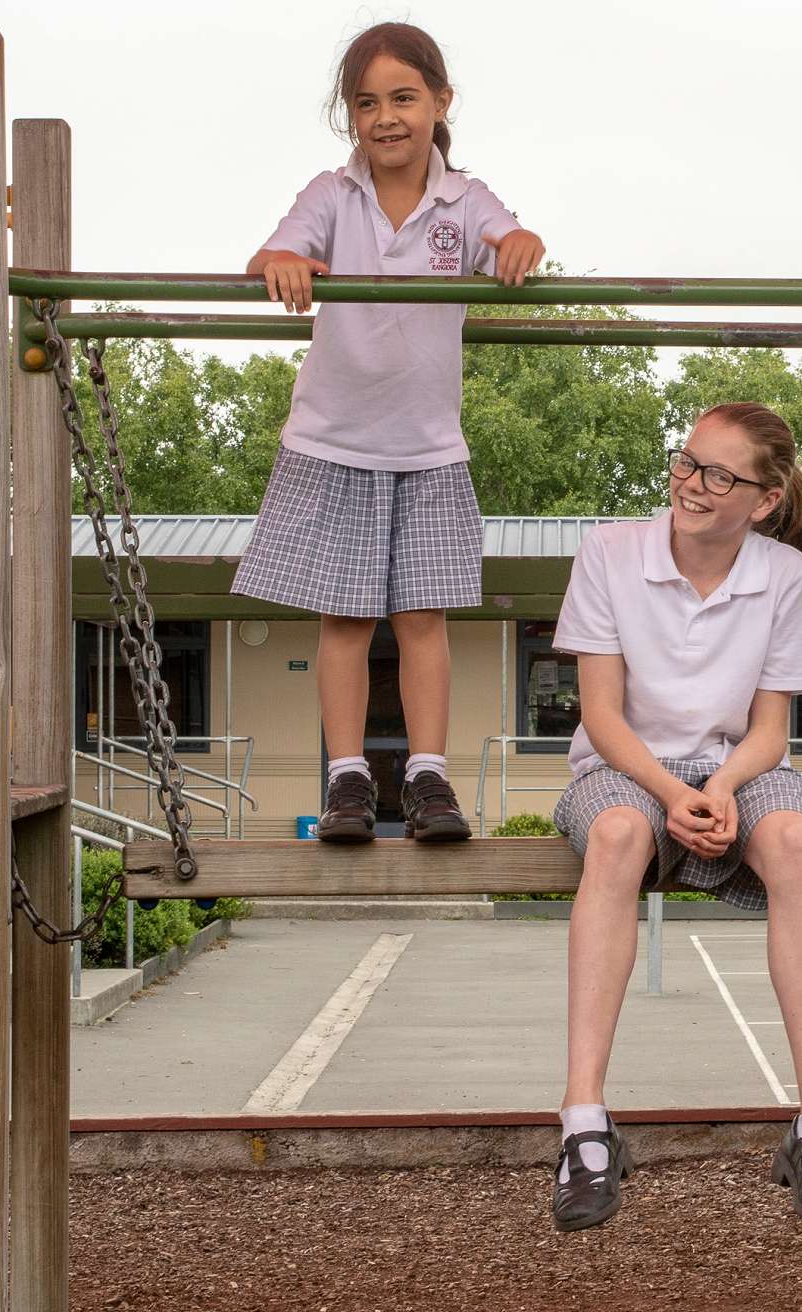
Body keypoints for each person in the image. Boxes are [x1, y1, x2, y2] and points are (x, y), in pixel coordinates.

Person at [545, 402, 802, 1232]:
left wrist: (720, 786)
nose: (691, 483)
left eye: (719, 473)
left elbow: (770, 731)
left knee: (795, 839)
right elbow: (603, 717)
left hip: (740, 766)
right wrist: (668, 791)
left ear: (762, 499)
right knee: (617, 835)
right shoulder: (611, 551)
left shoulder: (785, 577)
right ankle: (583, 1123)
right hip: (622, 764)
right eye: (687, 462)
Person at [232, 21, 546, 842]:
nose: (386, 117)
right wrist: (286, 264)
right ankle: (346, 780)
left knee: (423, 617)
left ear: (440, 102)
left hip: (429, 445)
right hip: (335, 438)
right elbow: (276, 250)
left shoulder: (462, 197)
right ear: (350, 118)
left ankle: (428, 776)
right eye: (365, 103)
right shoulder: (332, 196)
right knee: (341, 619)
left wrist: (517, 244)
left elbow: (511, 238)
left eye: (404, 98)